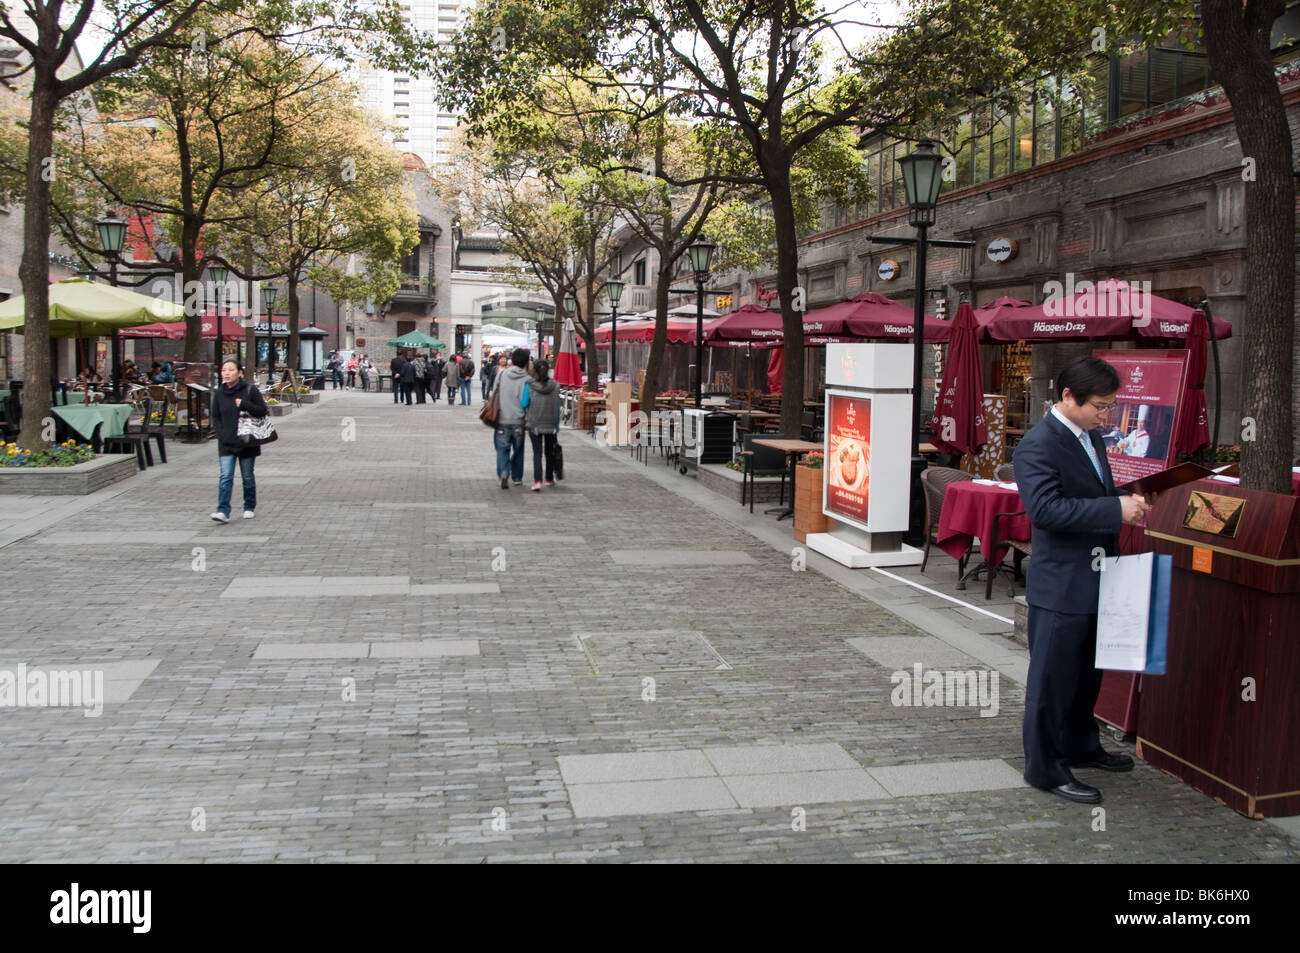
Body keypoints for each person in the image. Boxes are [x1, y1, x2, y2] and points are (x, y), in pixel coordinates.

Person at [1015, 356, 1151, 806]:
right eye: (1100, 405)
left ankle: (1080, 743)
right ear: (1067, 396)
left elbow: (1088, 493)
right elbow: (1047, 510)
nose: (1105, 415)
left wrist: (1121, 498)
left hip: (1098, 574)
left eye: (1111, 406)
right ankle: (1045, 766)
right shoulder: (1037, 444)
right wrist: (1115, 510)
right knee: (1052, 681)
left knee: (1089, 675)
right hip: (1061, 582)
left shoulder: (1090, 435)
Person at [209, 359, 268, 523]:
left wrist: (245, 404)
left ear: (239, 373)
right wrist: (221, 434)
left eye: (230, 370)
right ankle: (223, 511)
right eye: (224, 370)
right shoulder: (219, 392)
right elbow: (215, 415)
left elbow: (262, 411)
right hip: (226, 442)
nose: (226, 373)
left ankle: (249, 506)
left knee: (247, 477)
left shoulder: (250, 390)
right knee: (225, 477)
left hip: (246, 441)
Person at [493, 347, 531, 488]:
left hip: (502, 419)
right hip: (519, 421)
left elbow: (493, 393)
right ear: (526, 362)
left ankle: (503, 471)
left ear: (512, 360)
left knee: (502, 448)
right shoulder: (528, 379)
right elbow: (528, 401)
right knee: (518, 449)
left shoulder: (502, 375)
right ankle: (516, 477)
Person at [524, 358, 561, 490]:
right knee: (549, 451)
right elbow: (558, 406)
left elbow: (524, 403)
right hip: (551, 423)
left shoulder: (529, 385)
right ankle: (549, 478)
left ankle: (537, 481)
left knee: (537, 453)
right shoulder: (556, 385)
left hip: (535, 423)